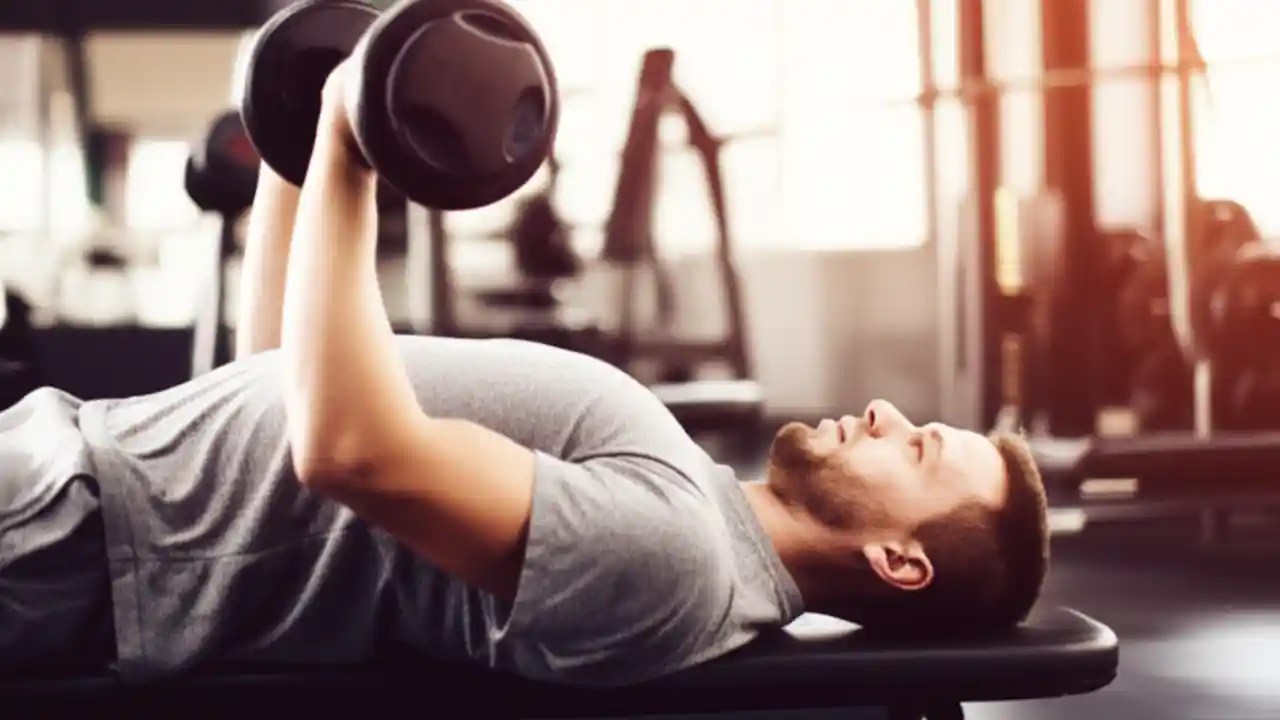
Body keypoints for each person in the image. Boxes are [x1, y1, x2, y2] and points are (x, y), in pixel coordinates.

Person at [0, 62, 1049, 687]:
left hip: (71, 535)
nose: (884, 412)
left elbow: (347, 452)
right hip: (73, 486)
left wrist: (351, 142)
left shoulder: (672, 558)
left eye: (918, 446)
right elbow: (289, 387)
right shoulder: (684, 502)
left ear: (899, 562)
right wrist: (297, 152)